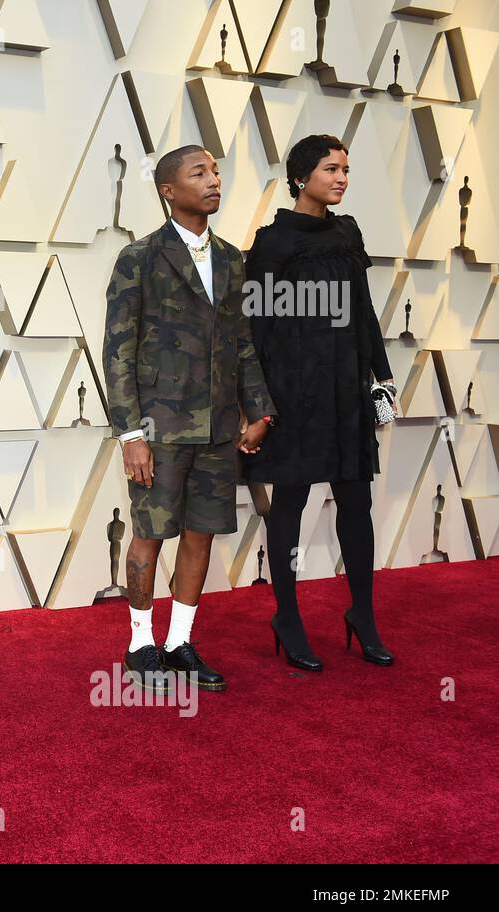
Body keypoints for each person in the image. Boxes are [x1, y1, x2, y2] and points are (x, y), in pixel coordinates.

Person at [103, 144, 277, 693]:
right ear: (167, 190)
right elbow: (118, 350)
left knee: (201, 534)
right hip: (157, 427)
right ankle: (139, 645)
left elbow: (242, 340)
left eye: (216, 171)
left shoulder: (231, 257)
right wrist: (131, 433)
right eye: (198, 173)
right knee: (151, 534)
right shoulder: (139, 257)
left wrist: (259, 409)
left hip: (219, 426)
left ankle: (179, 642)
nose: (212, 180)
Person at [244, 134, 397, 670]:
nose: (342, 178)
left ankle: (364, 615)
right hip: (294, 396)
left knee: (357, 503)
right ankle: (287, 616)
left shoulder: (347, 233)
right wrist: (258, 403)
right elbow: (255, 329)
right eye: (331, 169)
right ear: (301, 175)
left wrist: (381, 376)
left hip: (347, 394)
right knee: (290, 503)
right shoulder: (273, 242)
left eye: (346, 169)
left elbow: (365, 312)